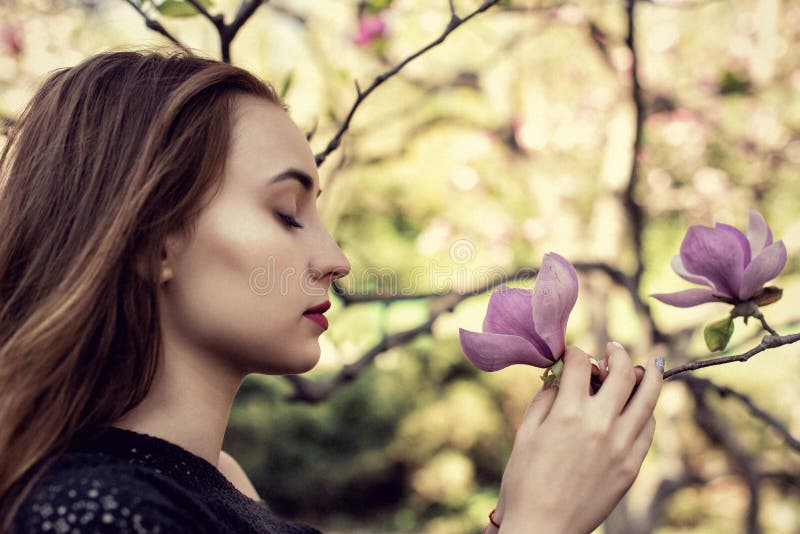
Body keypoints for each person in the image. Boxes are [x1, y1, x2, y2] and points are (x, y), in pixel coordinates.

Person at [0, 47, 663, 534]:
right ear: (153, 240)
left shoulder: (218, 483)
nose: (337, 260)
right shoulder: (95, 513)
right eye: (287, 212)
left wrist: (523, 508)